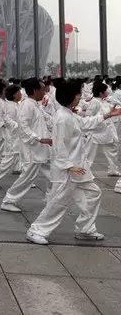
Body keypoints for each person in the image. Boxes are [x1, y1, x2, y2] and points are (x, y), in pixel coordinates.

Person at [26, 81, 121, 244]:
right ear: (70, 96)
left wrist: (108, 115)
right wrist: (69, 166)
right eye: (78, 94)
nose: (80, 97)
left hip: (78, 167)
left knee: (93, 193)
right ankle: (36, 230)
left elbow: (85, 123)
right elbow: (59, 145)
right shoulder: (63, 117)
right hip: (68, 169)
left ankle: (85, 228)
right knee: (59, 201)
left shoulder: (68, 114)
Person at [0, 78, 53, 213]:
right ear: (35, 91)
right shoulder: (27, 105)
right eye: (42, 89)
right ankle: (9, 200)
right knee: (27, 178)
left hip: (42, 147)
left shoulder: (35, 104)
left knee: (55, 174)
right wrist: (38, 138)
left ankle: (51, 199)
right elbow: (23, 127)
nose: (44, 92)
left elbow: (47, 119)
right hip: (32, 148)